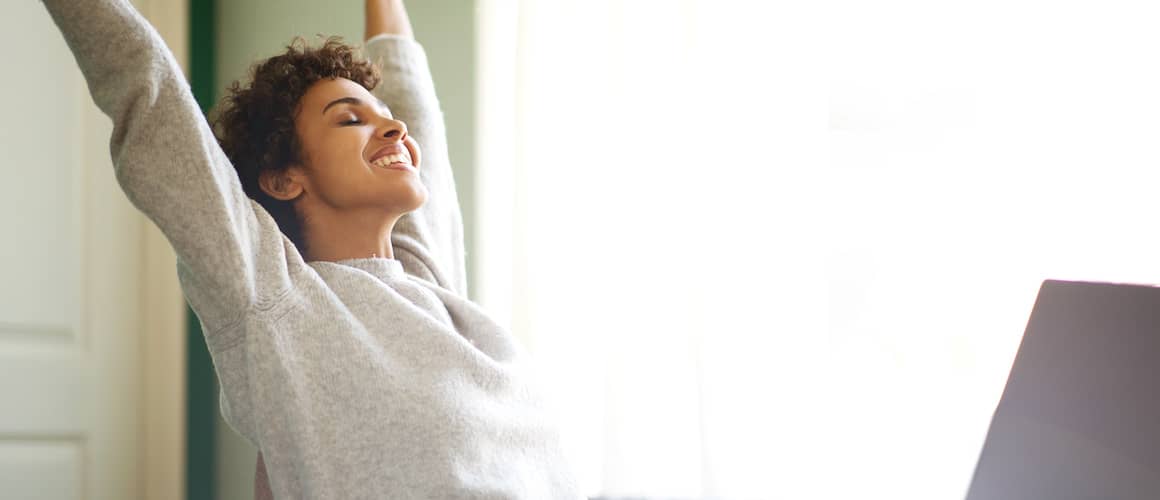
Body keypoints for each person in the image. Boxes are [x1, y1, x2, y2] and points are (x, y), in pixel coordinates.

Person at [40, 0, 582, 497]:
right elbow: (146, 82)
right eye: (351, 119)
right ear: (282, 179)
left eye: (386, 117)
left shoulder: (427, 285)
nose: (395, 128)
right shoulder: (273, 299)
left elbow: (413, 102)